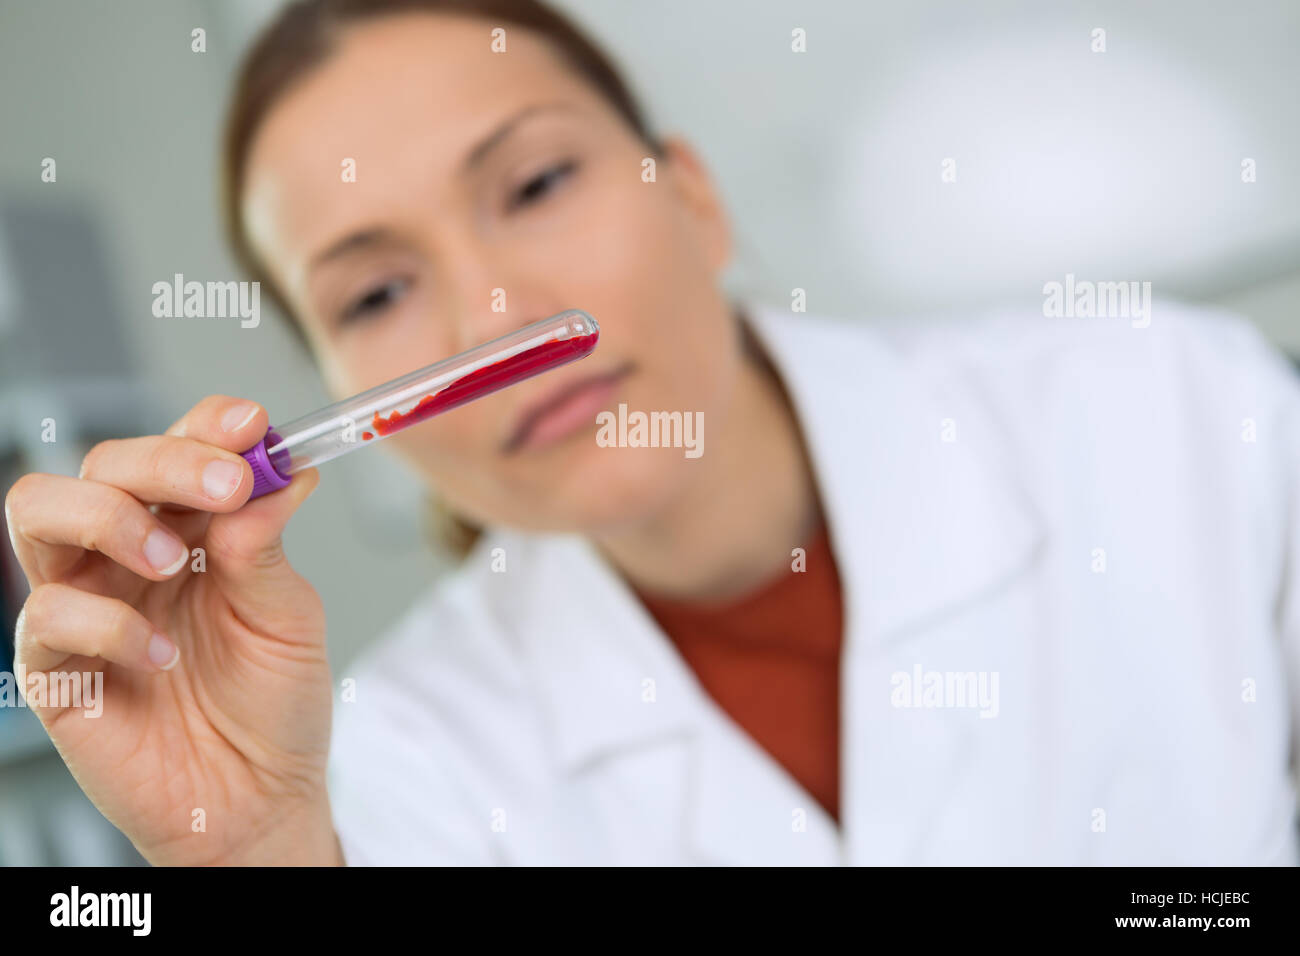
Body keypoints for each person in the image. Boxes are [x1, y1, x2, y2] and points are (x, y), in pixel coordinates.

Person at [6, 0, 1299, 865]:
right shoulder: (385, 770)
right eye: (378, 292)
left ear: (694, 197)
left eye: (537, 182)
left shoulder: (1171, 407)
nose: (492, 319)